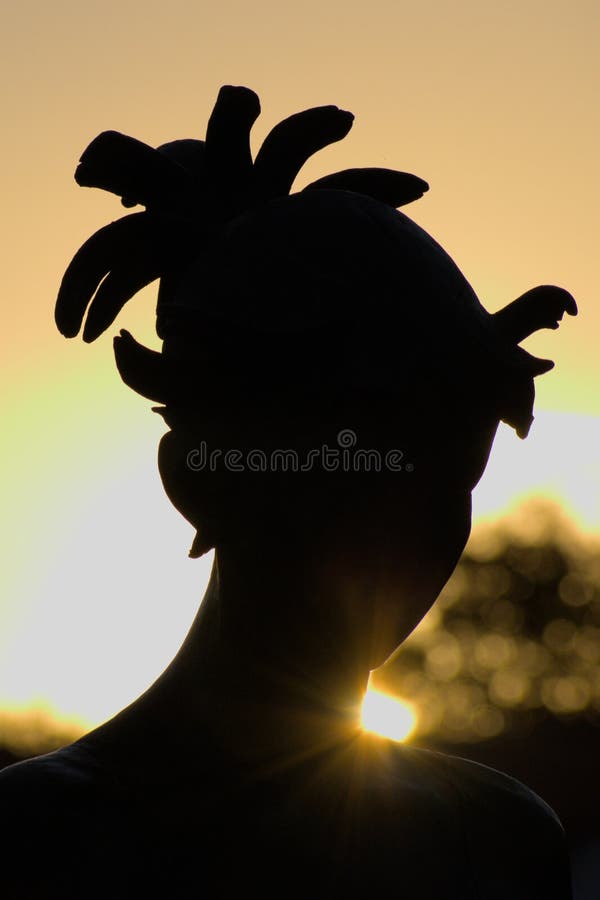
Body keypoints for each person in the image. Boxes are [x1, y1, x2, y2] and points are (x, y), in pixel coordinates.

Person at [0, 86, 577, 898]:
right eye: (346, 483)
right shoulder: (41, 841)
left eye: (446, 481)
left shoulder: (494, 839)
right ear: (198, 480)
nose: (400, 540)